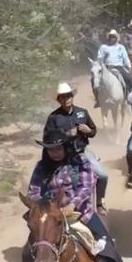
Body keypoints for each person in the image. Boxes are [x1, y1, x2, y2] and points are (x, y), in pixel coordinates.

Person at [14, 130, 125, 262]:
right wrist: (41, 206)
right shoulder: (41, 167)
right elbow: (34, 191)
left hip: (81, 213)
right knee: (28, 253)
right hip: (50, 216)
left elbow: (86, 186)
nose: (54, 153)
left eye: (58, 149)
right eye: (50, 150)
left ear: (65, 147)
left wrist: (73, 204)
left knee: (107, 246)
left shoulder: (80, 163)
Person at [44, 82, 108, 213]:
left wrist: (88, 131)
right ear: (58, 100)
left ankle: (99, 202)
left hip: (82, 151)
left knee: (103, 175)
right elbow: (47, 138)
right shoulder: (53, 117)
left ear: (72, 97)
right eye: (62, 97)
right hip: (61, 155)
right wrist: (67, 134)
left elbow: (94, 131)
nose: (66, 99)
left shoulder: (82, 113)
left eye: (68, 96)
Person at [93, 29, 132, 108]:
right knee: (94, 80)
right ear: (109, 37)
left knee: (128, 78)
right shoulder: (103, 47)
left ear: (116, 38)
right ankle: (98, 99)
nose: (112, 38)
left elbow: (125, 58)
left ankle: (129, 96)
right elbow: (100, 58)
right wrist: (99, 64)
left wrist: (129, 66)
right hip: (106, 68)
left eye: (114, 37)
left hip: (119, 67)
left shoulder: (121, 47)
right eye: (111, 37)